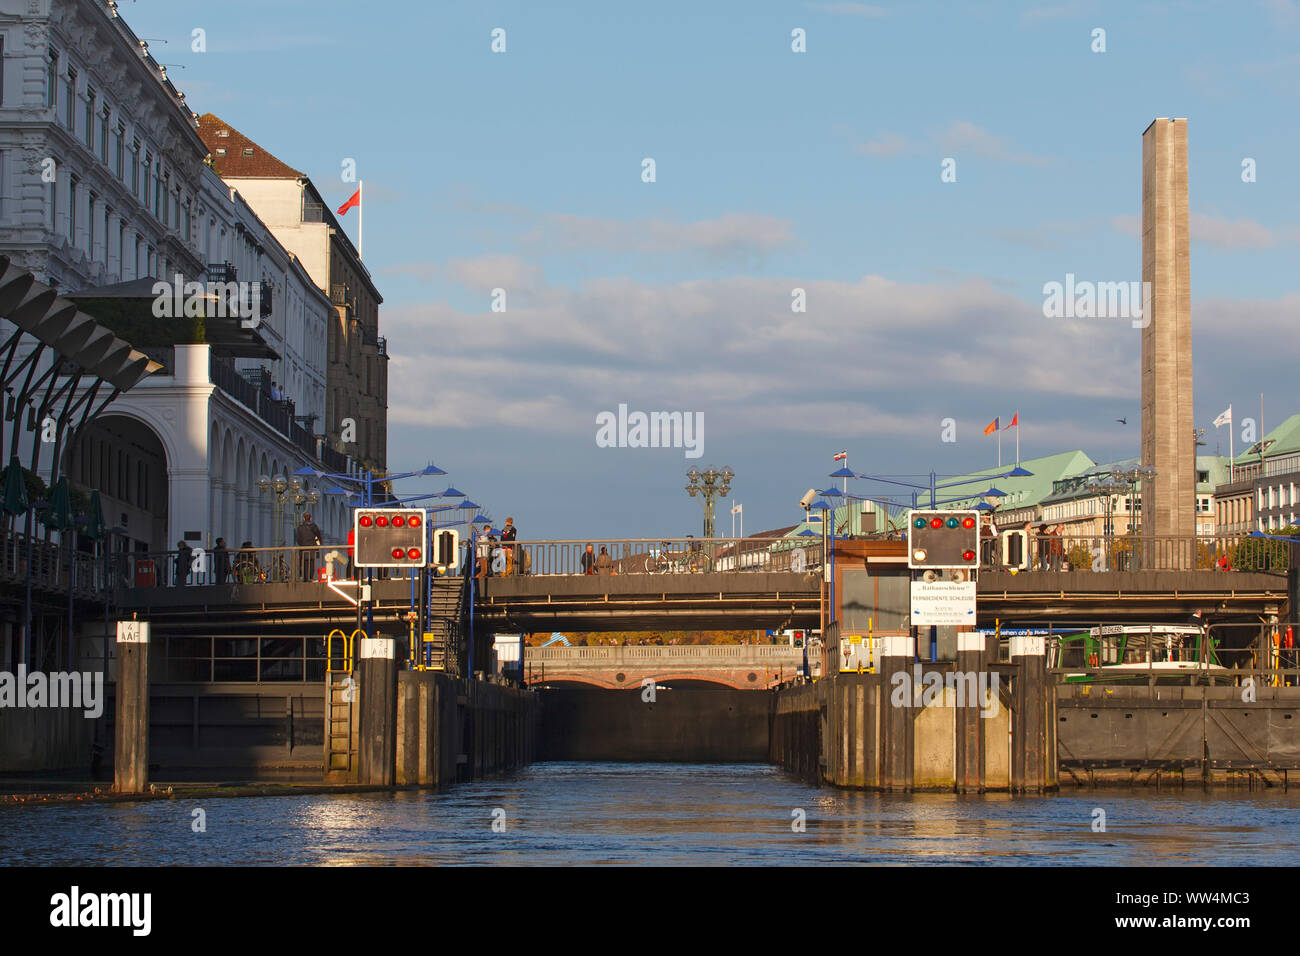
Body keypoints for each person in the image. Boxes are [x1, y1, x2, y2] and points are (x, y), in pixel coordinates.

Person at [295, 511, 322, 581]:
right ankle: (311, 577)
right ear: (310, 518)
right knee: (312, 564)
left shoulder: (300, 528)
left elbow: (298, 539)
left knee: (304, 564)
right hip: (313, 549)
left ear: (304, 519)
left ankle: (305, 578)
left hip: (304, 549)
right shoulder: (314, 526)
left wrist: (302, 544)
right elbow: (319, 536)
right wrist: (319, 544)